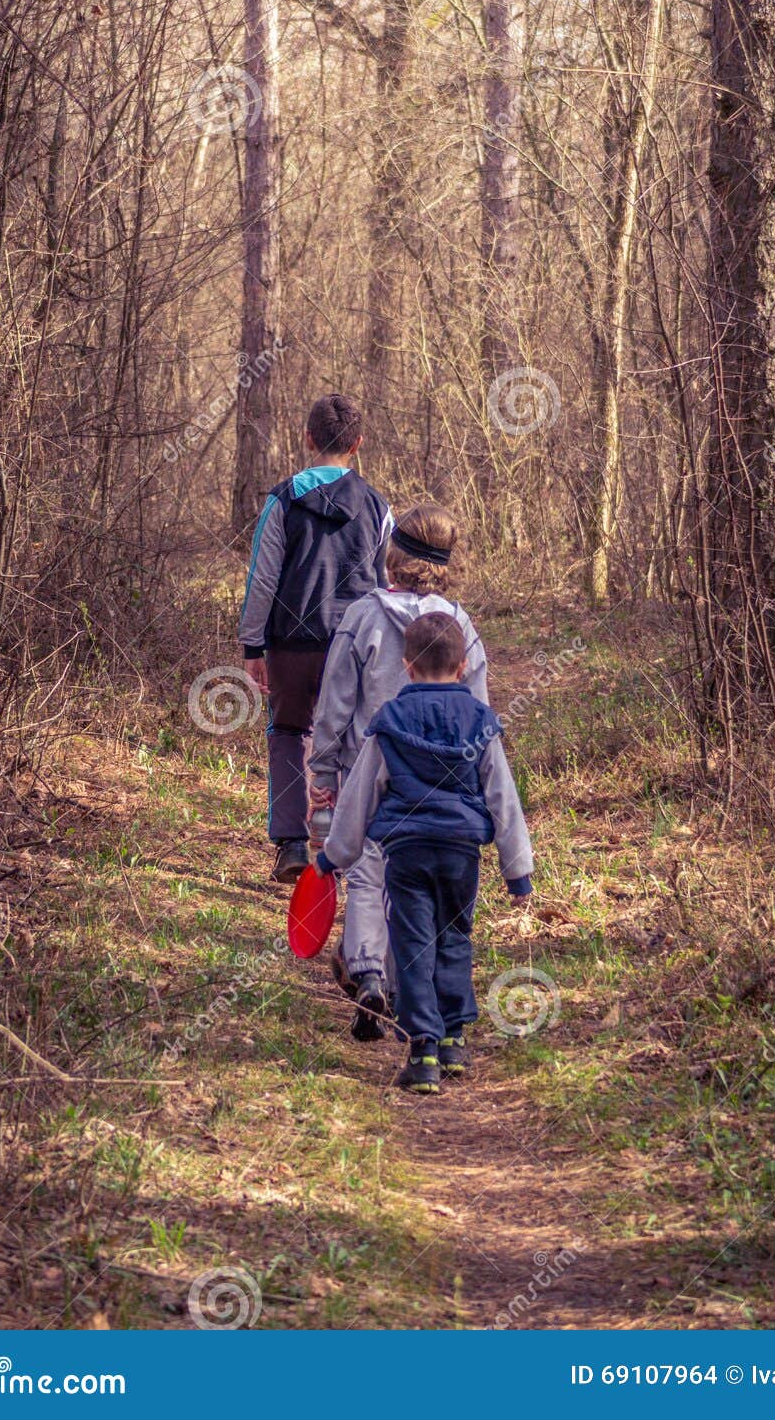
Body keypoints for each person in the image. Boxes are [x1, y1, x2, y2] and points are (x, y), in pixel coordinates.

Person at [316, 613, 533, 1094]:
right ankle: (453, 1038)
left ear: (407, 666)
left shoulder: (389, 722)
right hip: (460, 853)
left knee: (413, 946)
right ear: (463, 668)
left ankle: (423, 1052)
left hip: (407, 854)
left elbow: (361, 794)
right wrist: (517, 869)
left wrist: (335, 854)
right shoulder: (480, 722)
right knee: (454, 937)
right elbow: (502, 796)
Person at [308, 505, 487, 1041]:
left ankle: (367, 972)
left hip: (367, 768)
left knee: (368, 872)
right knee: (410, 883)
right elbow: (477, 711)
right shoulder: (459, 626)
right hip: (436, 781)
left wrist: (322, 768)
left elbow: (335, 702)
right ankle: (404, 985)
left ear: (393, 556)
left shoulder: (362, 617)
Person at [238, 395, 392, 883]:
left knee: (289, 734)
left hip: (290, 643)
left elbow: (263, 579)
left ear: (307, 438)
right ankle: (342, 846)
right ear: (358, 444)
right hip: (354, 643)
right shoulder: (377, 507)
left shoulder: (283, 500)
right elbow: (385, 585)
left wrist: (252, 645)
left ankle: (291, 845)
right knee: (350, 739)